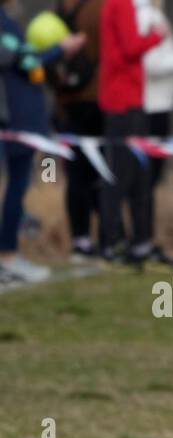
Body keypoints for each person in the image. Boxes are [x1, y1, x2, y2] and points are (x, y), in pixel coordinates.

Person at [0, 1, 85, 282]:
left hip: (21, 121)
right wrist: (61, 48)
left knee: (18, 187)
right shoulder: (4, 24)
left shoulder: (9, 23)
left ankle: (9, 252)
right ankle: (8, 256)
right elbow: (26, 61)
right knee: (17, 186)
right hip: (16, 122)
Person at [97, 0, 165, 265]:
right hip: (123, 102)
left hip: (126, 99)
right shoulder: (121, 4)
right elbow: (131, 47)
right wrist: (156, 36)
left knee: (138, 174)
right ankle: (113, 242)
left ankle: (138, 242)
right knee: (121, 175)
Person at [138, 0, 173, 267]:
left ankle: (143, 240)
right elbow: (150, 65)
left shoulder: (154, 14)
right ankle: (141, 241)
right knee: (145, 179)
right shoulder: (145, 16)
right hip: (151, 108)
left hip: (159, 106)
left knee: (149, 180)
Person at [52, 0, 105, 262]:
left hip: (65, 101)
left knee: (75, 175)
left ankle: (80, 239)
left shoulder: (60, 8)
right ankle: (109, 237)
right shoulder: (103, 7)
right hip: (97, 99)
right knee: (101, 172)